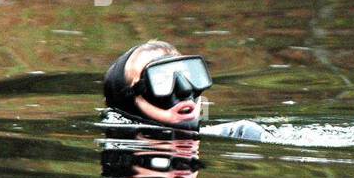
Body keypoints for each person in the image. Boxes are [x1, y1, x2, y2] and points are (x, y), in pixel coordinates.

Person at [100, 41, 269, 141]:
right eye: (161, 80)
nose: (184, 89)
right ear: (129, 100)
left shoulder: (241, 134)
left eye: (187, 76)